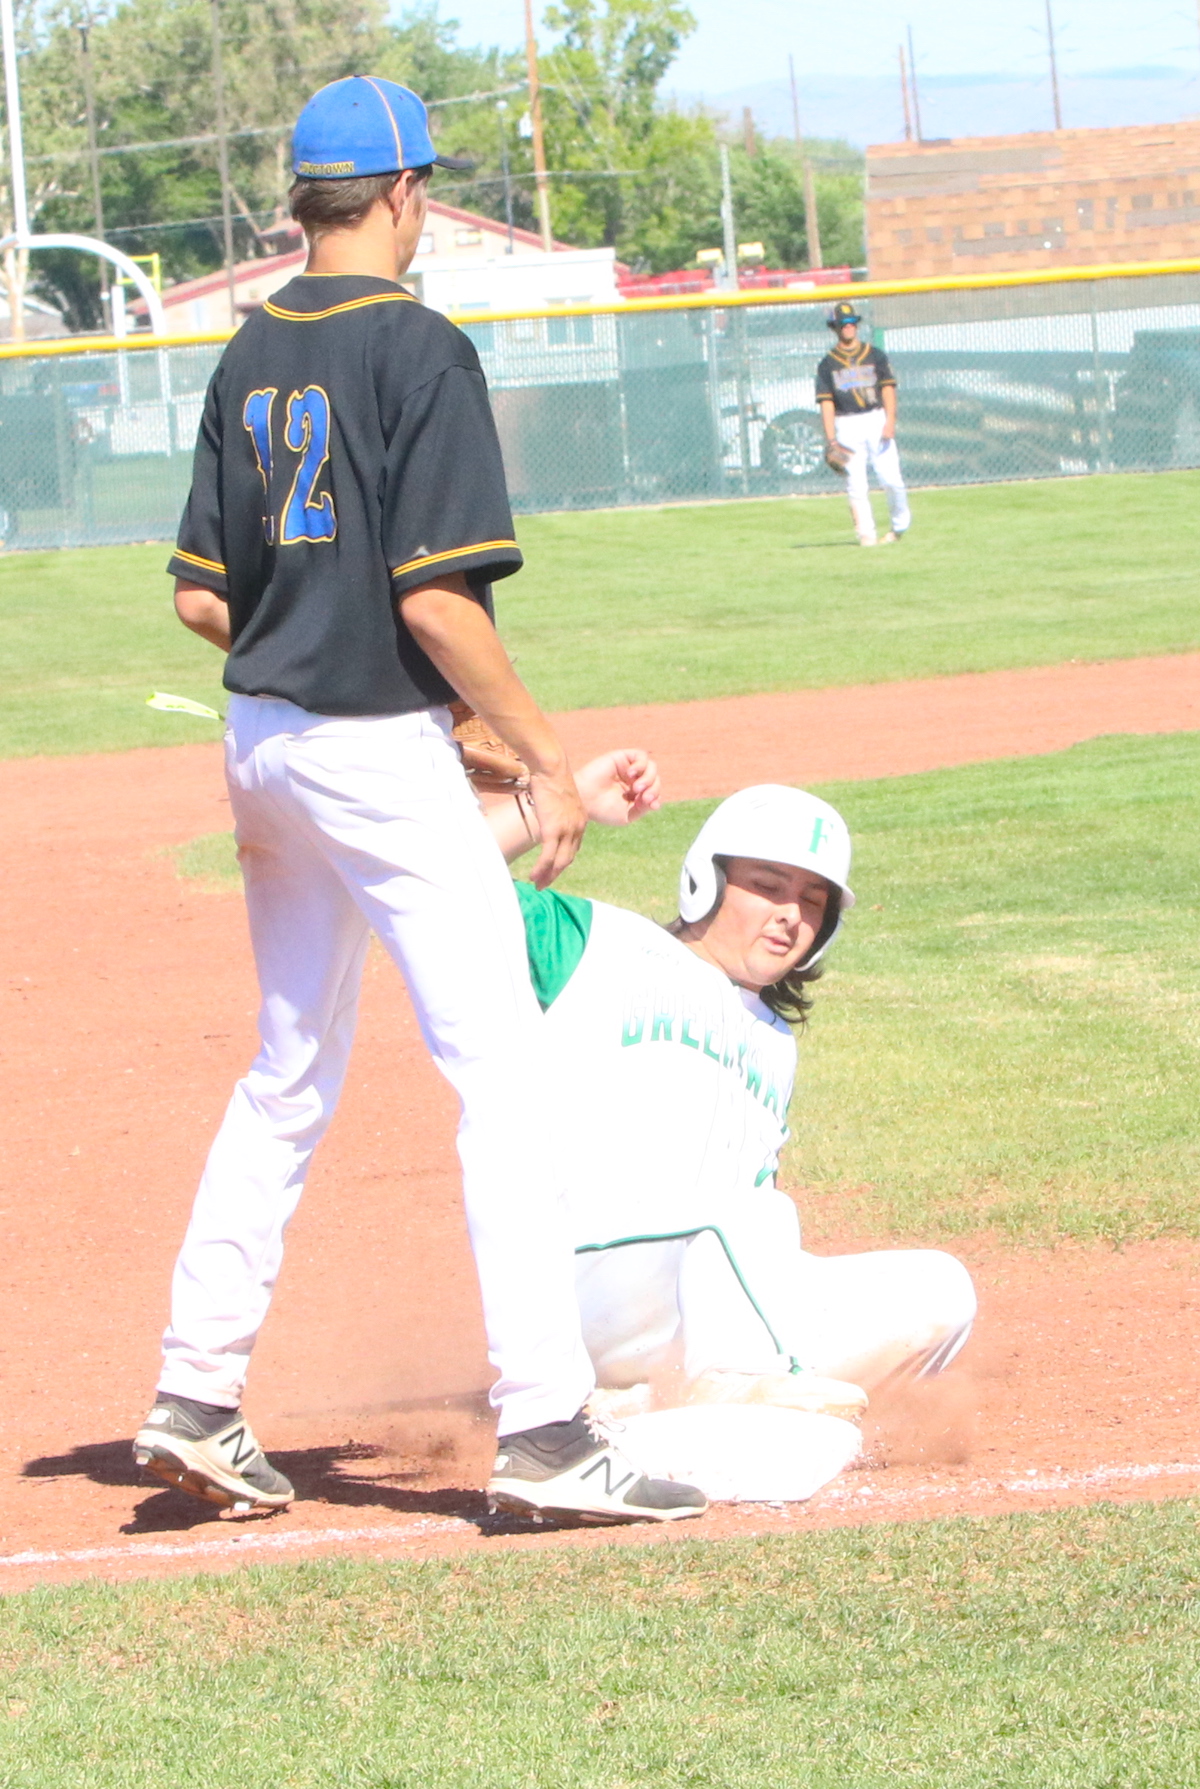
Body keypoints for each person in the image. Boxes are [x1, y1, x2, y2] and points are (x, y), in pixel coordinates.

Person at [133, 75, 705, 1530]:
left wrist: (337, 669)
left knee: (287, 1073)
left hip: (262, 742)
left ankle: (196, 1392)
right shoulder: (418, 348)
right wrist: (531, 749)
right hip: (371, 750)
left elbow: (207, 598)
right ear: (401, 198)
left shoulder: (249, 346)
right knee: (499, 1076)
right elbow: (440, 604)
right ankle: (549, 1428)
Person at [486, 780, 977, 1501]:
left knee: (941, 1289)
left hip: (700, 1312)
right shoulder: (593, 944)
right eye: (768, 886)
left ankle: (655, 1419)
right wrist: (557, 803)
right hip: (590, 1282)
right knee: (744, 1209)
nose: (790, 916)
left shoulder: (775, 1046)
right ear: (704, 880)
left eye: (812, 901)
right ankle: (718, 1402)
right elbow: (441, 870)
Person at [816, 300, 912, 548]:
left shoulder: (875, 355)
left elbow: (888, 389)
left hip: (875, 418)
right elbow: (826, 403)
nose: (847, 327)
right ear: (835, 328)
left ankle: (899, 525)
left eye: (851, 323)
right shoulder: (827, 364)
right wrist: (831, 439)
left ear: (856, 325)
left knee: (891, 478)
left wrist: (890, 421)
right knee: (856, 484)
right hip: (846, 423)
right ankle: (866, 535)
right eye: (842, 324)